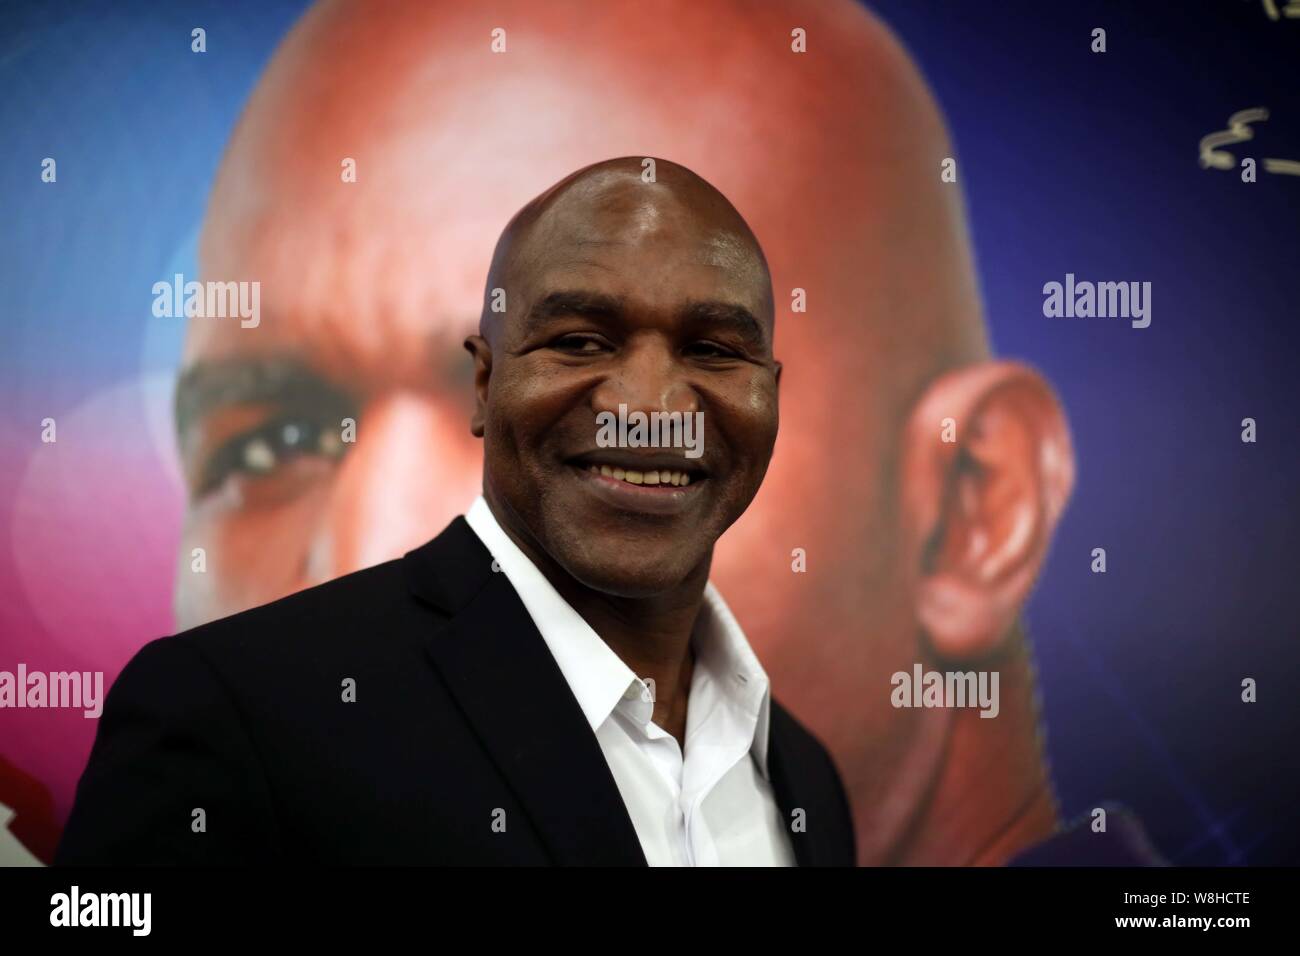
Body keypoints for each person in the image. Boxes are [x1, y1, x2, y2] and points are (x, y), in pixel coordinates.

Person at [160, 0, 1090, 864]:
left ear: (977, 508)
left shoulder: (802, 786)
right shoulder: (214, 714)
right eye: (271, 444)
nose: (368, 548)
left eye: (707, 352)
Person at [56, 157, 856, 866]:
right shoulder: (230, 715)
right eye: (581, 341)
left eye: (714, 350)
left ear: (769, 398)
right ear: (484, 384)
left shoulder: (805, 780)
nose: (646, 408)